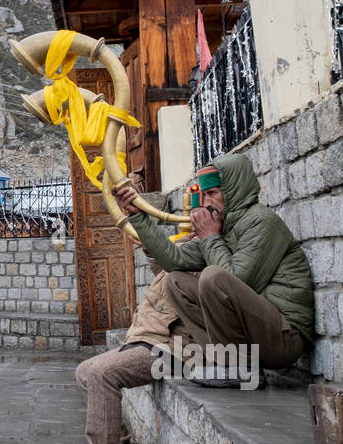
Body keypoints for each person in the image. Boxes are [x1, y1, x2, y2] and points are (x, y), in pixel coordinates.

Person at [114, 152, 314, 388]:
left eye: (212, 194)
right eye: (204, 195)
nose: (206, 202)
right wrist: (139, 217)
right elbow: (174, 260)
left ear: (232, 191)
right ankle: (227, 361)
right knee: (175, 281)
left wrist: (210, 237)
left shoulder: (262, 221)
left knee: (213, 277)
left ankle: (240, 367)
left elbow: (238, 281)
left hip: (284, 339)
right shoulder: (224, 226)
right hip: (255, 338)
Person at [65, 259, 183, 444]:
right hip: (146, 340)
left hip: (174, 348)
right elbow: (160, 261)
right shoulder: (181, 252)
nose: (192, 220)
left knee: (102, 374)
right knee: (85, 371)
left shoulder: (208, 252)